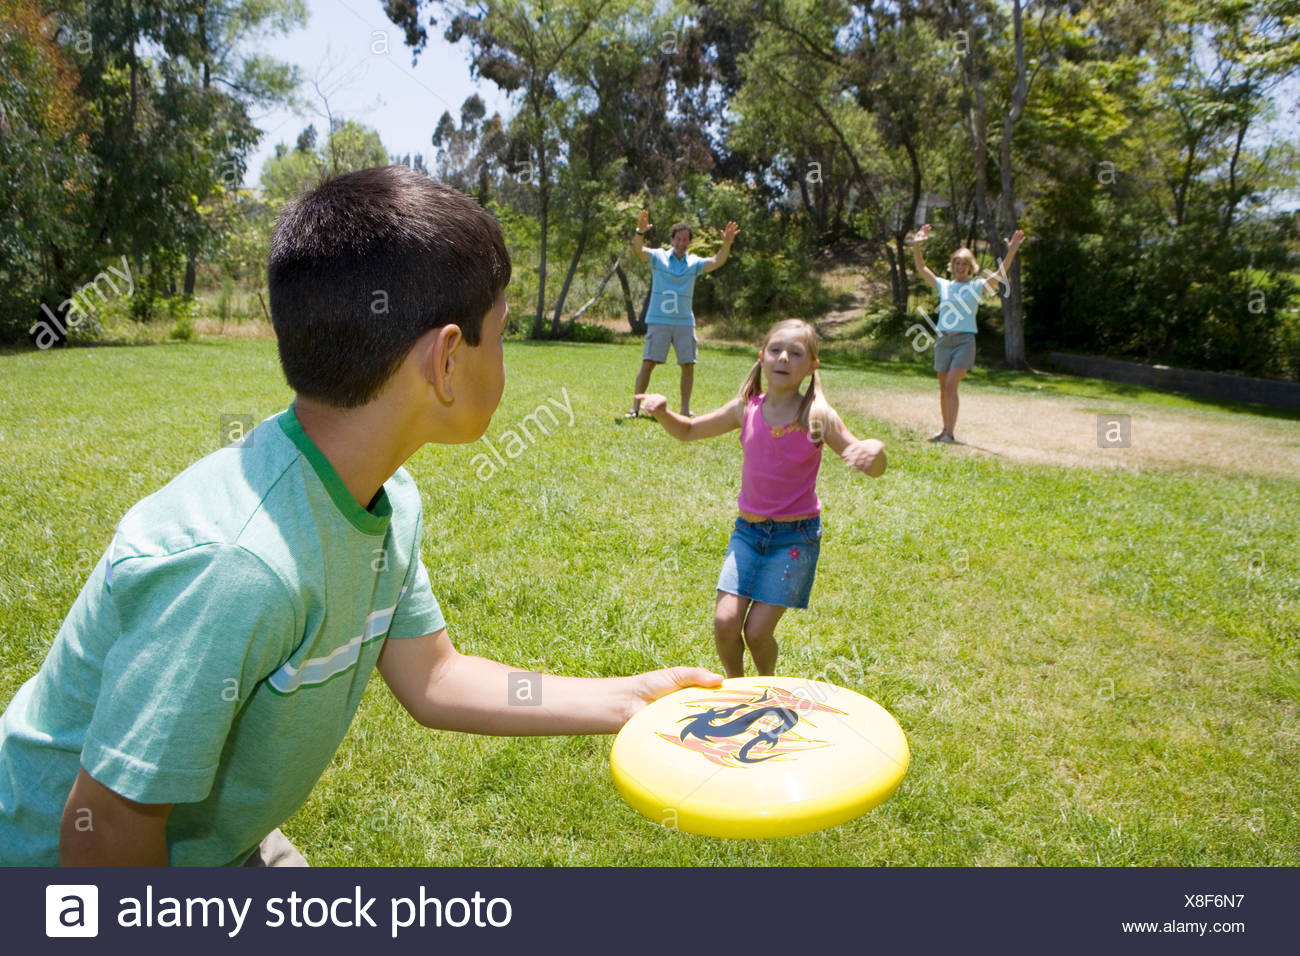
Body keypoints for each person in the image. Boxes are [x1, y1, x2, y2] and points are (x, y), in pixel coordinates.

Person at [0, 166, 721, 867]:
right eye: (498, 335)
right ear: (446, 358)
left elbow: (435, 678)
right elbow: (103, 833)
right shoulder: (236, 565)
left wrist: (629, 698)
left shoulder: (387, 499)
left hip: (218, 849)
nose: (504, 358)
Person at [636, 319, 886, 678]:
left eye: (795, 353)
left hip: (794, 539)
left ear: (812, 366)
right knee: (725, 623)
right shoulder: (746, 408)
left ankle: (765, 685)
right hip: (748, 535)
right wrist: (662, 412)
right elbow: (689, 431)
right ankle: (739, 689)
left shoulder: (817, 417)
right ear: (762, 357)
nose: (783, 357)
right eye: (775, 350)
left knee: (756, 632)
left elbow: (871, 464)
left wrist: (874, 449)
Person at [911, 223, 1025, 442]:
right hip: (943, 339)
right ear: (952, 265)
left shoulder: (977, 286)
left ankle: (950, 433)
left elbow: (999, 276)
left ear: (970, 266)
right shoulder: (944, 285)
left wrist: (1011, 251)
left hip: (964, 341)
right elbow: (921, 269)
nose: (960, 267)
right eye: (956, 263)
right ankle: (944, 430)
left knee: (952, 385)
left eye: (964, 263)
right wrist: (916, 246)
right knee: (944, 388)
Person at [625, 209, 739, 419]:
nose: (681, 243)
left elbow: (716, 262)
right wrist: (640, 232)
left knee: (688, 364)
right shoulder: (658, 257)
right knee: (648, 363)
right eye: (678, 239)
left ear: (689, 242)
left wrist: (727, 243)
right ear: (672, 240)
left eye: (685, 240)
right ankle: (635, 407)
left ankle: (685, 409)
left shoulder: (694, 263)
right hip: (659, 320)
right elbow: (638, 251)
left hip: (684, 323)